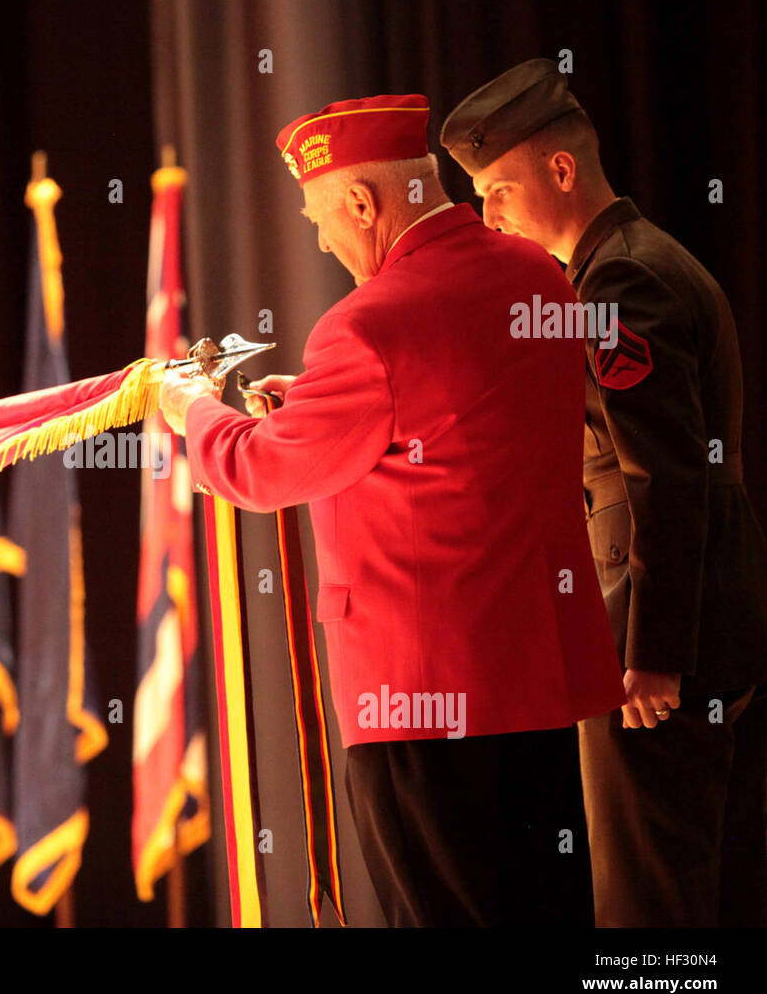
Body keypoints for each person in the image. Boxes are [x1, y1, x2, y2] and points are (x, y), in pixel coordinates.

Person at [159, 92, 623, 926]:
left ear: (365, 202)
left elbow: (260, 470)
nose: (321, 237)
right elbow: (461, 424)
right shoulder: (538, 279)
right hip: (539, 687)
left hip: (418, 698)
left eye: (319, 217)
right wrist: (318, 403)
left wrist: (189, 405)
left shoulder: (365, 327)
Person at [442, 58, 767, 927]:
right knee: (698, 895)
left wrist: (650, 647)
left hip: (658, 642)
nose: (487, 215)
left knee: (647, 910)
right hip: (701, 622)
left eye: (499, 190)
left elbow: (663, 475)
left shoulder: (616, 284)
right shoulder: (639, 263)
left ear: (561, 170)